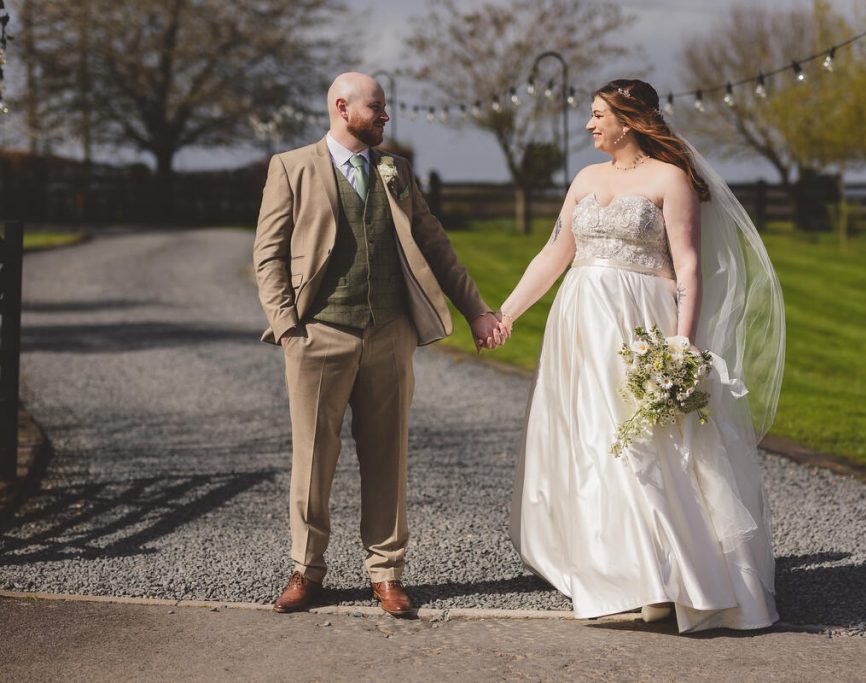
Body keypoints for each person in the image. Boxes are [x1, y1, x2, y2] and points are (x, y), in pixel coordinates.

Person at [498, 79, 785, 632]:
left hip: (639, 322)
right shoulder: (585, 179)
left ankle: (669, 575)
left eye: (598, 115)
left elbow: (690, 267)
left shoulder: (669, 180)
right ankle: (621, 574)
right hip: (579, 323)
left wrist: (681, 343)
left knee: (648, 446)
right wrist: (505, 313)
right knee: (592, 440)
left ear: (628, 121)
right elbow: (555, 252)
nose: (589, 125)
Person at [253, 72, 505, 616]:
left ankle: (386, 573)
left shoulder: (397, 171)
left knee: (388, 456)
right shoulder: (291, 167)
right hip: (318, 333)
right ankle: (306, 569)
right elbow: (268, 255)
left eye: (386, 107)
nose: (386, 116)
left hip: (390, 334)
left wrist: (478, 311)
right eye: (378, 107)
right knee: (313, 459)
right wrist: (289, 326)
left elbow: (436, 244)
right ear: (343, 108)